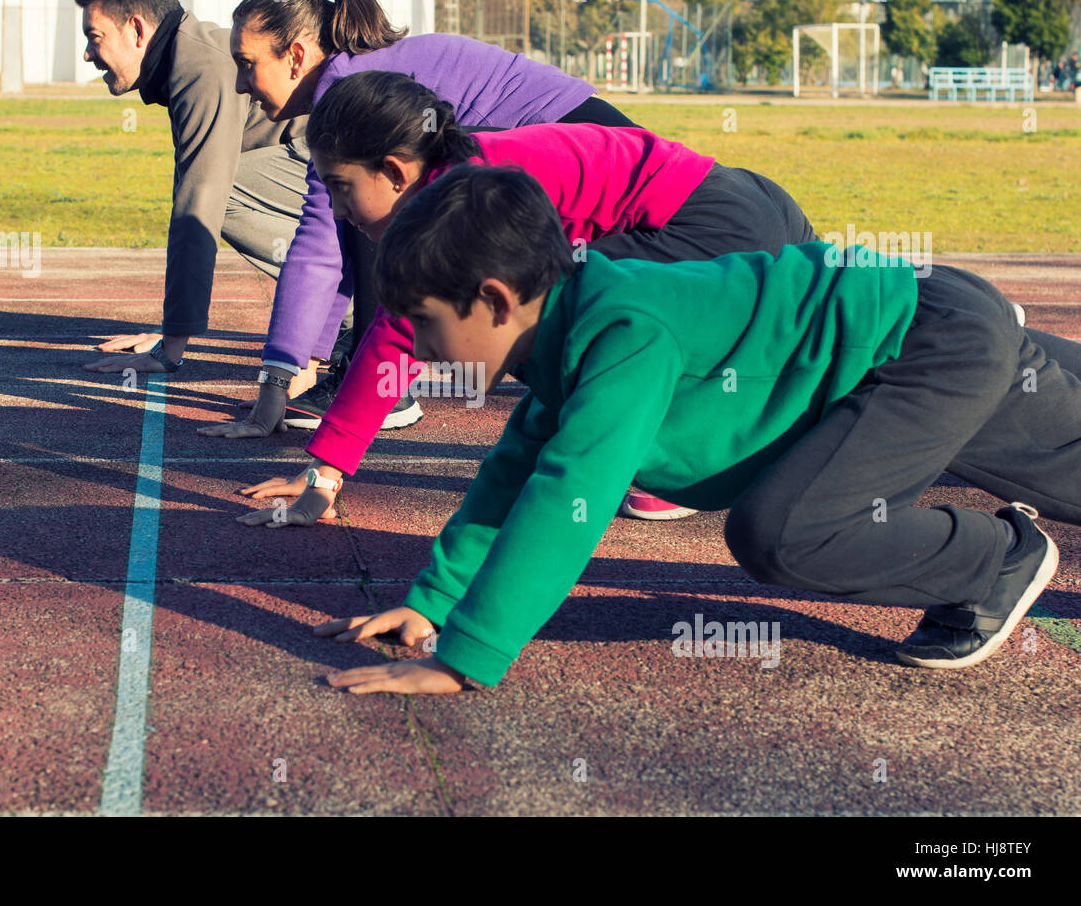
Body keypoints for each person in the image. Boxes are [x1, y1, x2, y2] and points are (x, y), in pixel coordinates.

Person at [314, 166, 1080, 695]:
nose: (414, 344)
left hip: (924, 346)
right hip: (909, 344)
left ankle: (998, 561)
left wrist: (466, 656)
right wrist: (435, 603)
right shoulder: (567, 329)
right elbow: (513, 473)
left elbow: (567, 495)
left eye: (423, 322)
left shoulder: (622, 332)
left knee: (786, 532)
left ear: (495, 298)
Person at [231, 71, 816, 527]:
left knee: (566, 323)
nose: (335, 209)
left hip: (712, 225)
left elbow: (398, 331)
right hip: (752, 198)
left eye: (340, 187)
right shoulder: (460, 173)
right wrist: (329, 463)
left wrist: (325, 473)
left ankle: (683, 461)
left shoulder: (462, 198)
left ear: (394, 170)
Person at [202, 0, 639, 442]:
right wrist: (305, 360)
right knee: (366, 212)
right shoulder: (351, 74)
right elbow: (334, 243)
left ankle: (666, 453)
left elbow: (317, 246)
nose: (243, 85)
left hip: (596, 152)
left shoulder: (347, 92)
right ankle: (367, 378)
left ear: (296, 56)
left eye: (247, 64)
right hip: (583, 143)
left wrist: (273, 389)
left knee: (607, 314)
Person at [72, 0, 333, 393]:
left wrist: (171, 346)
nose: (87, 54)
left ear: (137, 30)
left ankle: (342, 315)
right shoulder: (186, 58)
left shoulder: (199, 66)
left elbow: (201, 198)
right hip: (317, 162)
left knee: (219, 191)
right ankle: (339, 312)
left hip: (338, 161)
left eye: (94, 38)